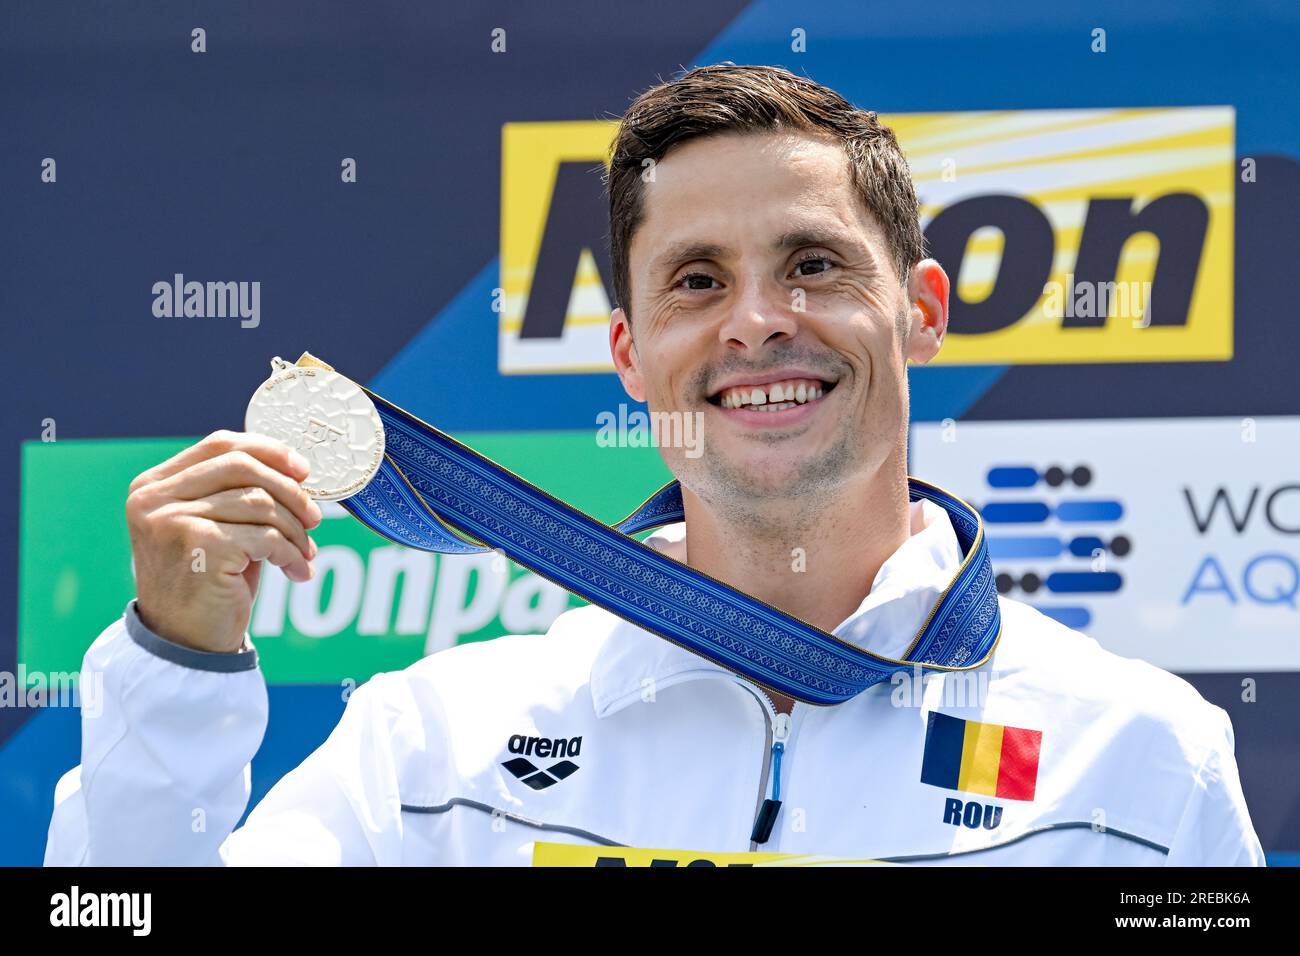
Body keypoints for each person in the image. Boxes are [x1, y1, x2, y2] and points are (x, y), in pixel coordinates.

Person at [45, 63, 1264, 866]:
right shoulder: (438, 752)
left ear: (922, 310)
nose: (755, 323)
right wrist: (177, 669)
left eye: (815, 265)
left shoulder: (1137, 758)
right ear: (631, 353)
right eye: (696, 282)